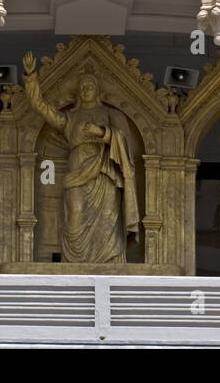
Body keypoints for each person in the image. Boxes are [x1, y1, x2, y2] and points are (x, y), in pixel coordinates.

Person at [22, 53, 138, 264]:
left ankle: (108, 264)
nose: (85, 90)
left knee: (107, 219)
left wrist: (101, 132)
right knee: (74, 214)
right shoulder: (70, 118)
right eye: (82, 87)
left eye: (90, 86)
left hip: (104, 172)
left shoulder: (111, 114)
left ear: (97, 91)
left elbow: (125, 142)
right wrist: (30, 76)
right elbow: (40, 107)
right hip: (76, 171)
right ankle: (74, 264)